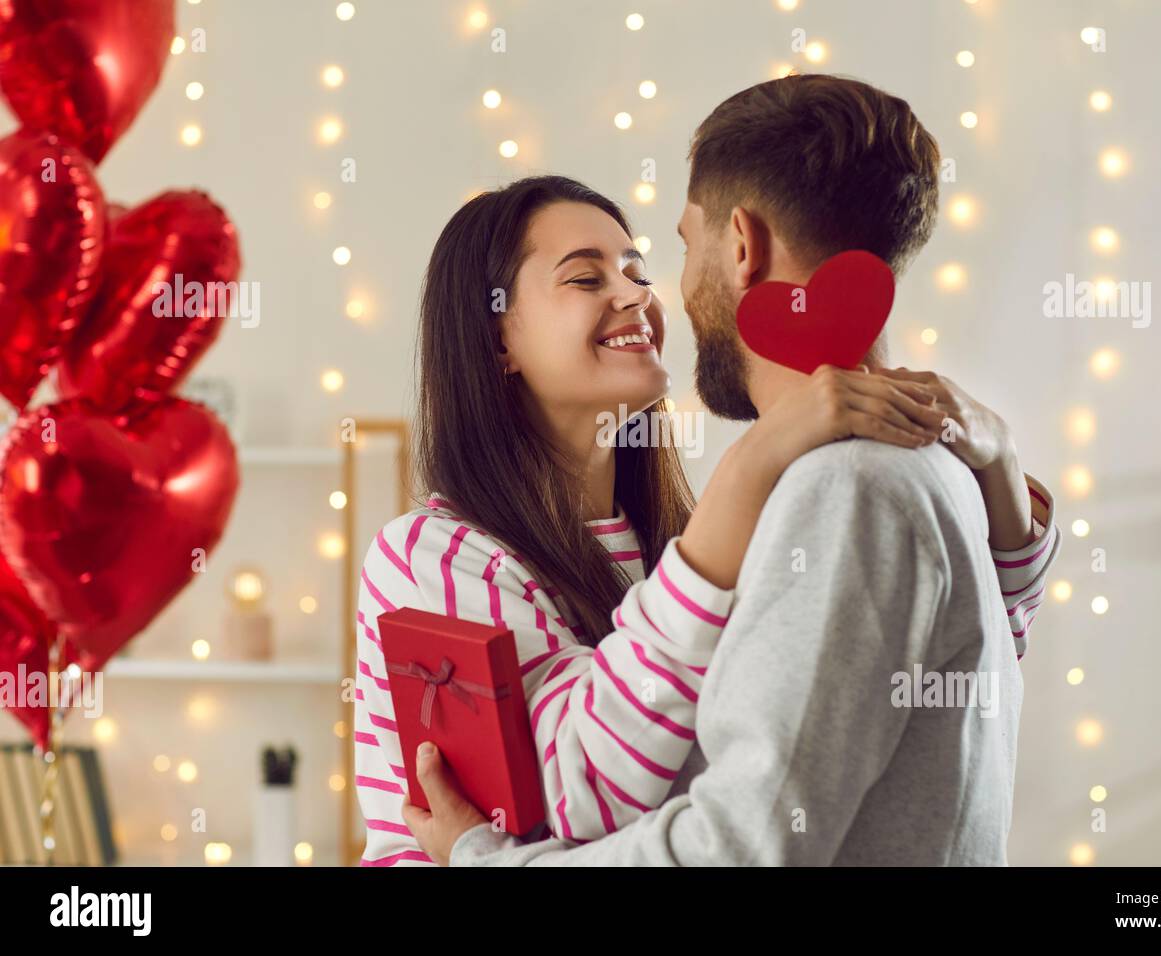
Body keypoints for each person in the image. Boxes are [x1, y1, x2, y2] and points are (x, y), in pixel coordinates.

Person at [358, 79, 1058, 868]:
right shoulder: (436, 555)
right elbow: (573, 794)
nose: (640, 293)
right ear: (497, 343)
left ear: (742, 246)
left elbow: (952, 642)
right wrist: (750, 465)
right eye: (588, 278)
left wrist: (998, 474)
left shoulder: (735, 527)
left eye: (644, 263)